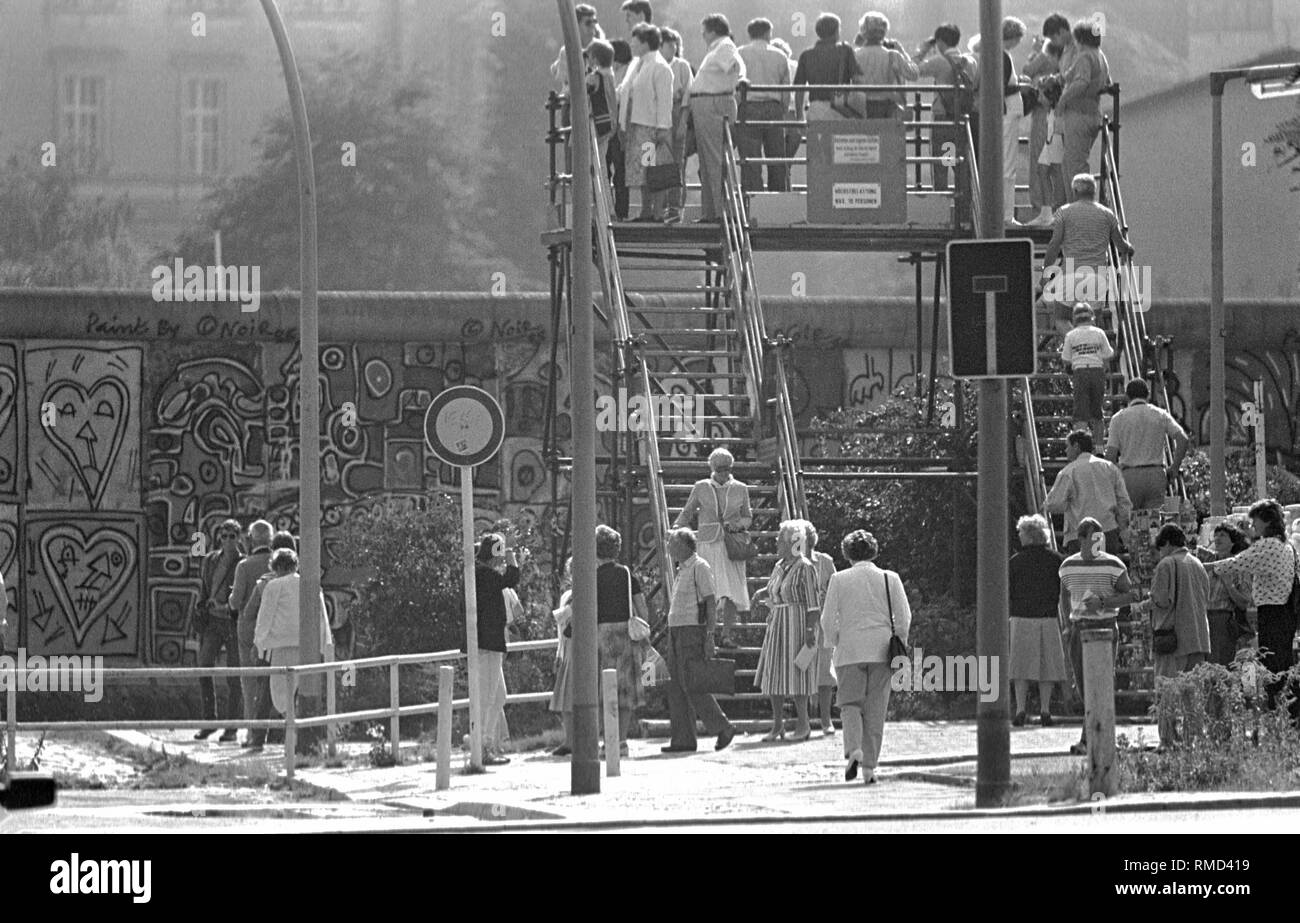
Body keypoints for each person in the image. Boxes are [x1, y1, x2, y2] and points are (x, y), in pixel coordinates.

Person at [820, 529, 910, 784]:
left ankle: (853, 749)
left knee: (849, 704)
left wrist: (834, 640)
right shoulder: (889, 578)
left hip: (849, 650)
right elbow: (904, 617)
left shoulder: (839, 579)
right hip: (881, 650)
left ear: (847, 553)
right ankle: (869, 768)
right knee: (875, 710)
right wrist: (900, 641)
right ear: (874, 551)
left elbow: (827, 619)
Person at [1205, 499, 1299, 716]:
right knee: (1280, 665)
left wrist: (1206, 567)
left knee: (1269, 668)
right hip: (1284, 613)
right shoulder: (1286, 547)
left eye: (1255, 520)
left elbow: (1237, 563)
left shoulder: (1267, 546)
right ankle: (1286, 714)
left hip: (1267, 615)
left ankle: (1272, 713)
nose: (1252, 525)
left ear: (1265, 521)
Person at [1058, 517, 1137, 754]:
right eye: (1091, 538)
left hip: (1104, 625)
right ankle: (1093, 733)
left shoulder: (1113, 565)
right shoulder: (1068, 566)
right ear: (1080, 539)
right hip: (1078, 627)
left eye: (1098, 538)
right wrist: (1066, 623)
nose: (1095, 543)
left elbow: (1130, 595)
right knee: (1083, 683)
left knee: (1101, 681)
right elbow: (1063, 596)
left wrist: (1103, 602)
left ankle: (1091, 738)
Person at [1132, 525, 1211, 748]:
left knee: (1167, 691)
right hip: (1199, 638)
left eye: (1160, 547)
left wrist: (1142, 605)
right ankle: (1193, 739)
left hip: (1173, 639)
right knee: (1192, 694)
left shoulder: (1166, 564)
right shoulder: (1197, 564)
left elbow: (1162, 600)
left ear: (1166, 543)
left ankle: (1167, 740)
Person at [661, 528, 737, 753]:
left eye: (672, 543)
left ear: (684, 545)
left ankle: (723, 726)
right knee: (675, 684)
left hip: (692, 631)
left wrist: (710, 635)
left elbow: (710, 603)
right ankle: (682, 739)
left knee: (692, 682)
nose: (669, 548)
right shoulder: (681, 569)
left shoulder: (699, 567)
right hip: (676, 630)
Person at [251, 548, 333, 748]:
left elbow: (265, 617)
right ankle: (301, 737)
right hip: (308, 645)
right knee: (301, 692)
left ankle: (294, 733)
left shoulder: (274, 586)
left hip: (282, 646)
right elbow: (321, 616)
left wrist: (258, 643)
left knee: (280, 693)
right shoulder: (311, 585)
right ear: (296, 565)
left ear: (276, 567)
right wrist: (325, 644)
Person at [673, 446, 752, 648]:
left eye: (727, 468)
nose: (724, 472)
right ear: (712, 467)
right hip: (708, 542)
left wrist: (738, 525)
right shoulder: (701, 486)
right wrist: (676, 527)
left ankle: (726, 635)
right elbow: (688, 510)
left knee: (732, 591)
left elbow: (748, 516)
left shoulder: (740, 488)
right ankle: (709, 633)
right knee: (709, 591)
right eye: (719, 468)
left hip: (731, 544)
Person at [753, 519, 822, 742]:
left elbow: (813, 604)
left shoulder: (806, 567)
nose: (776, 544)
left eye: (780, 540)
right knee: (774, 673)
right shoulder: (780, 565)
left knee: (798, 673)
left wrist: (811, 629)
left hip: (798, 623)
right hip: (778, 622)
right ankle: (777, 725)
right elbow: (778, 588)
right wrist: (762, 592)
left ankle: (803, 724)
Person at [1040, 173, 1133, 335]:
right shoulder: (1107, 214)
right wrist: (1129, 248)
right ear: (1094, 192)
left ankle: (1076, 344)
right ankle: (1090, 345)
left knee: (1061, 319)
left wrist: (1045, 274)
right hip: (1097, 277)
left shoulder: (1064, 212)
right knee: (1093, 323)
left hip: (1071, 275)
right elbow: (1121, 246)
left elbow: (1054, 245)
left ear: (1075, 192)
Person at [458, 533, 519, 766]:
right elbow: (512, 578)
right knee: (487, 695)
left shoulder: (478, 573)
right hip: (487, 641)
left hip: (487, 641)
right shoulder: (484, 574)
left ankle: (483, 741)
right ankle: (481, 745)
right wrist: (512, 557)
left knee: (498, 694)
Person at [240, 530, 298, 751]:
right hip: (299, 645)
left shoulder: (266, 584)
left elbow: (252, 613)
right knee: (293, 690)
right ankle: (288, 737)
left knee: (265, 692)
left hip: (271, 648)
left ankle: (258, 738)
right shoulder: (305, 583)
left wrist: (257, 643)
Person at [1008, 514, 1068, 727]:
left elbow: (1008, 591)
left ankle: (1021, 710)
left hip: (1021, 617)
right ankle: (1045, 710)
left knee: (1020, 668)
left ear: (1028, 535)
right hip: (1047, 618)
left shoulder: (1015, 562)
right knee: (1047, 667)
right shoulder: (1057, 560)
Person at [595, 525, 648, 755]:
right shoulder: (627, 574)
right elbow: (643, 609)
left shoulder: (592, 577)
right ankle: (622, 741)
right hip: (625, 634)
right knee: (625, 690)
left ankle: (608, 739)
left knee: (601, 689)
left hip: (601, 634)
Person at [687, 13, 745, 224]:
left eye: (704, 30)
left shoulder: (724, 46)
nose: (702, 35)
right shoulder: (718, 48)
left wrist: (738, 80)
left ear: (712, 30)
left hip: (712, 104)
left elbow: (735, 66)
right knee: (708, 160)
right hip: (707, 104)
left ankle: (718, 213)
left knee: (713, 159)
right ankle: (710, 212)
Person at [1104, 378, 1189, 511]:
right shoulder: (1160, 414)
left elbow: (1110, 455)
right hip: (1155, 473)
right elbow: (1183, 439)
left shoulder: (1118, 418)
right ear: (1147, 394)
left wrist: (1117, 477)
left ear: (1127, 396)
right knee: (1153, 523)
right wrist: (1174, 467)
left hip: (1129, 475)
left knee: (1130, 521)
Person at [194, 518, 244, 742]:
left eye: (232, 536)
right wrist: (203, 606)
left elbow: (241, 596)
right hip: (213, 621)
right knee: (204, 666)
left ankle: (232, 726)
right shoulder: (211, 560)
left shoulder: (242, 563)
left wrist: (225, 607)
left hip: (232, 622)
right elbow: (204, 587)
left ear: (239, 538)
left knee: (234, 675)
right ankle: (209, 721)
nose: (227, 540)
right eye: (224, 536)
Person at [1044, 429, 1131, 555]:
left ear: (1076, 446)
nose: (1066, 450)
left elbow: (1053, 504)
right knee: (1108, 573)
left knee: (1082, 573)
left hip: (1080, 535)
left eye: (1067, 446)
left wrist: (1068, 502)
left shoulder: (1069, 471)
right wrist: (1122, 527)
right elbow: (1123, 501)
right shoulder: (1110, 468)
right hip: (1108, 531)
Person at [621, 23, 675, 222]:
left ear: (645, 42)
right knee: (643, 170)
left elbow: (664, 100)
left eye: (635, 40)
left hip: (650, 126)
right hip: (636, 124)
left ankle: (657, 210)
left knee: (653, 168)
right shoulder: (638, 64)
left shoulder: (659, 67)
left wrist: (662, 127)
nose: (632, 44)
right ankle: (646, 210)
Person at [914, 23, 975, 195]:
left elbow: (913, 70)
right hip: (962, 119)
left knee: (941, 165)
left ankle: (943, 209)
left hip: (942, 120)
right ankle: (963, 212)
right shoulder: (969, 62)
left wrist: (923, 50)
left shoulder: (939, 62)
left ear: (940, 41)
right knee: (960, 165)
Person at [227, 519, 273, 737]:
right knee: (271, 678)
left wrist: (229, 597)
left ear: (251, 540)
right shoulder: (277, 565)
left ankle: (251, 730)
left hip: (248, 626)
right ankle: (272, 729)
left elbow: (235, 602)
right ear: (270, 539)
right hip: (272, 628)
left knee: (249, 681)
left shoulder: (244, 566)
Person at [737, 18, 792, 193]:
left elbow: (736, 86)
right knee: (776, 159)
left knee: (751, 161)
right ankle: (776, 204)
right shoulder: (780, 56)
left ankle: (753, 204)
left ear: (749, 33)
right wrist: (782, 110)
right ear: (769, 33)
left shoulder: (740, 53)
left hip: (749, 107)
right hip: (773, 108)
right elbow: (786, 90)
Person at [1057, 21, 1110, 198]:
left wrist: (1063, 100)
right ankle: (1076, 204)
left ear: (1080, 39)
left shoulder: (1085, 56)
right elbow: (1107, 82)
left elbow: (1082, 82)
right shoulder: (1101, 56)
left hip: (1078, 115)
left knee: (1075, 165)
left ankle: (1080, 208)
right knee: (1073, 161)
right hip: (1093, 113)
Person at [1021, 29, 1066, 225]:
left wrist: (1037, 52)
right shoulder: (1064, 70)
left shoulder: (1046, 63)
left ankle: (1041, 208)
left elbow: (1026, 70)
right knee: (1055, 166)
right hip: (1058, 120)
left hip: (1043, 118)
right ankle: (1055, 208)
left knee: (1039, 163)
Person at [1195, 523, 1254, 666]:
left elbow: (1244, 602)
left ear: (1233, 541)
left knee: (1220, 664)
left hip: (1222, 620)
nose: (1217, 538)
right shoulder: (1209, 558)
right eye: (1216, 534)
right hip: (1203, 619)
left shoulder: (1239, 566)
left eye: (1223, 535)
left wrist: (1229, 585)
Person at [1060, 302, 1114, 447]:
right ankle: (1099, 448)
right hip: (1097, 371)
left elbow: (1066, 358)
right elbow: (1108, 354)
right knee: (1098, 413)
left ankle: (1081, 446)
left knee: (1080, 413)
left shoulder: (1071, 335)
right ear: (1092, 317)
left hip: (1080, 372)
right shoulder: (1099, 333)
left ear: (1074, 319)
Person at [793, 13, 862, 123]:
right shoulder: (845, 50)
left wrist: (799, 116)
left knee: (818, 140)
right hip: (841, 107)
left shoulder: (806, 55)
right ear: (836, 31)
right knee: (839, 140)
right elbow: (858, 80)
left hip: (816, 108)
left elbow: (799, 89)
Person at [851, 11, 917, 118]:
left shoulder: (854, 55)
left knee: (864, 133)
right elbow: (913, 74)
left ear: (863, 32)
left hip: (861, 107)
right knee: (885, 133)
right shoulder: (893, 55)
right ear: (884, 33)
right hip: (886, 107)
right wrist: (902, 52)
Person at [806, 523, 838, 735]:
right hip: (801, 621)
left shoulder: (825, 562)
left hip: (824, 622)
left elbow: (836, 590)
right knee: (802, 669)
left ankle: (826, 720)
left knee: (825, 672)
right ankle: (804, 719)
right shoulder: (789, 563)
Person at [660, 28, 694, 224]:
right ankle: (655, 207)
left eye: (675, 45)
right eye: (668, 44)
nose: (672, 48)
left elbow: (688, 95)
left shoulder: (682, 66)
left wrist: (682, 121)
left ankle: (674, 206)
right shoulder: (652, 65)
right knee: (652, 161)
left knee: (676, 163)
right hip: (654, 117)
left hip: (675, 111)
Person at [999, 17, 1028, 223]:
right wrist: (1021, 87)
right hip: (1007, 113)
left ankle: (1005, 213)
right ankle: (1007, 215)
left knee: (1006, 164)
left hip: (1007, 113)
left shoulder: (998, 55)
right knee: (1008, 166)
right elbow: (1000, 87)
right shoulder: (1003, 56)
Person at [548, 557, 575, 756]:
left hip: (581, 645)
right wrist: (559, 653)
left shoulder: (591, 590)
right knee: (565, 698)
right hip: (568, 648)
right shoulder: (567, 595)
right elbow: (560, 628)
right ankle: (570, 739)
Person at [551, 3, 604, 91]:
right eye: (588, 23)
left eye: (594, 22)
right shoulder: (568, 52)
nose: (592, 27)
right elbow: (570, 83)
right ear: (576, 26)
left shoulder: (601, 49)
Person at [609, 40, 634, 220]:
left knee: (621, 170)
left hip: (623, 127)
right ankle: (612, 209)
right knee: (613, 169)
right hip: (613, 126)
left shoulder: (628, 71)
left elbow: (621, 93)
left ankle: (620, 210)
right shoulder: (612, 72)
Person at [586, 40, 619, 165]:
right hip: (609, 123)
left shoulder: (595, 78)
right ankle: (648, 181)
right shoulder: (610, 76)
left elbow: (579, 92)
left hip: (598, 123)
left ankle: (648, 180)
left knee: (594, 159)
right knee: (601, 160)